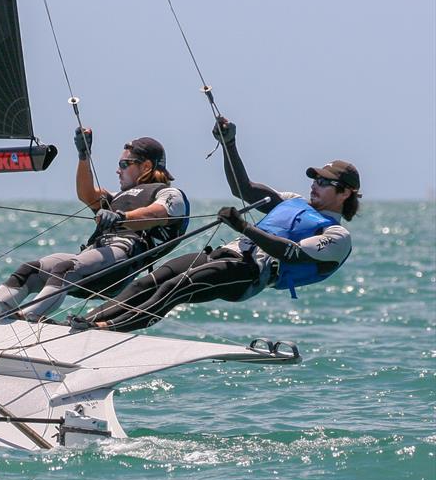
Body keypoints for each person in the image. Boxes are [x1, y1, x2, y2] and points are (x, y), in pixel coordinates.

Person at [69, 116, 362, 332]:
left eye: (325, 182)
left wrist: (244, 227)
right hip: (223, 254)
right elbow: (242, 188)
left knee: (177, 286)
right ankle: (85, 321)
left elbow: (291, 253)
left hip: (249, 273)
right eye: (315, 179)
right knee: (151, 280)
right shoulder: (291, 200)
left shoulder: (337, 235)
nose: (315, 185)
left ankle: (106, 329)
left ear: (345, 192)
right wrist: (229, 144)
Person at [0, 126, 190, 321]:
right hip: (96, 257)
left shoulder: (170, 194)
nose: (118, 170)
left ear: (146, 166)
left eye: (124, 164)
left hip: (120, 263)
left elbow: (155, 214)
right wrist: (84, 156)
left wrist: (122, 218)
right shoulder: (117, 197)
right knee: (31, 269)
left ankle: (29, 317)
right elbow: (87, 194)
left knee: (65, 269)